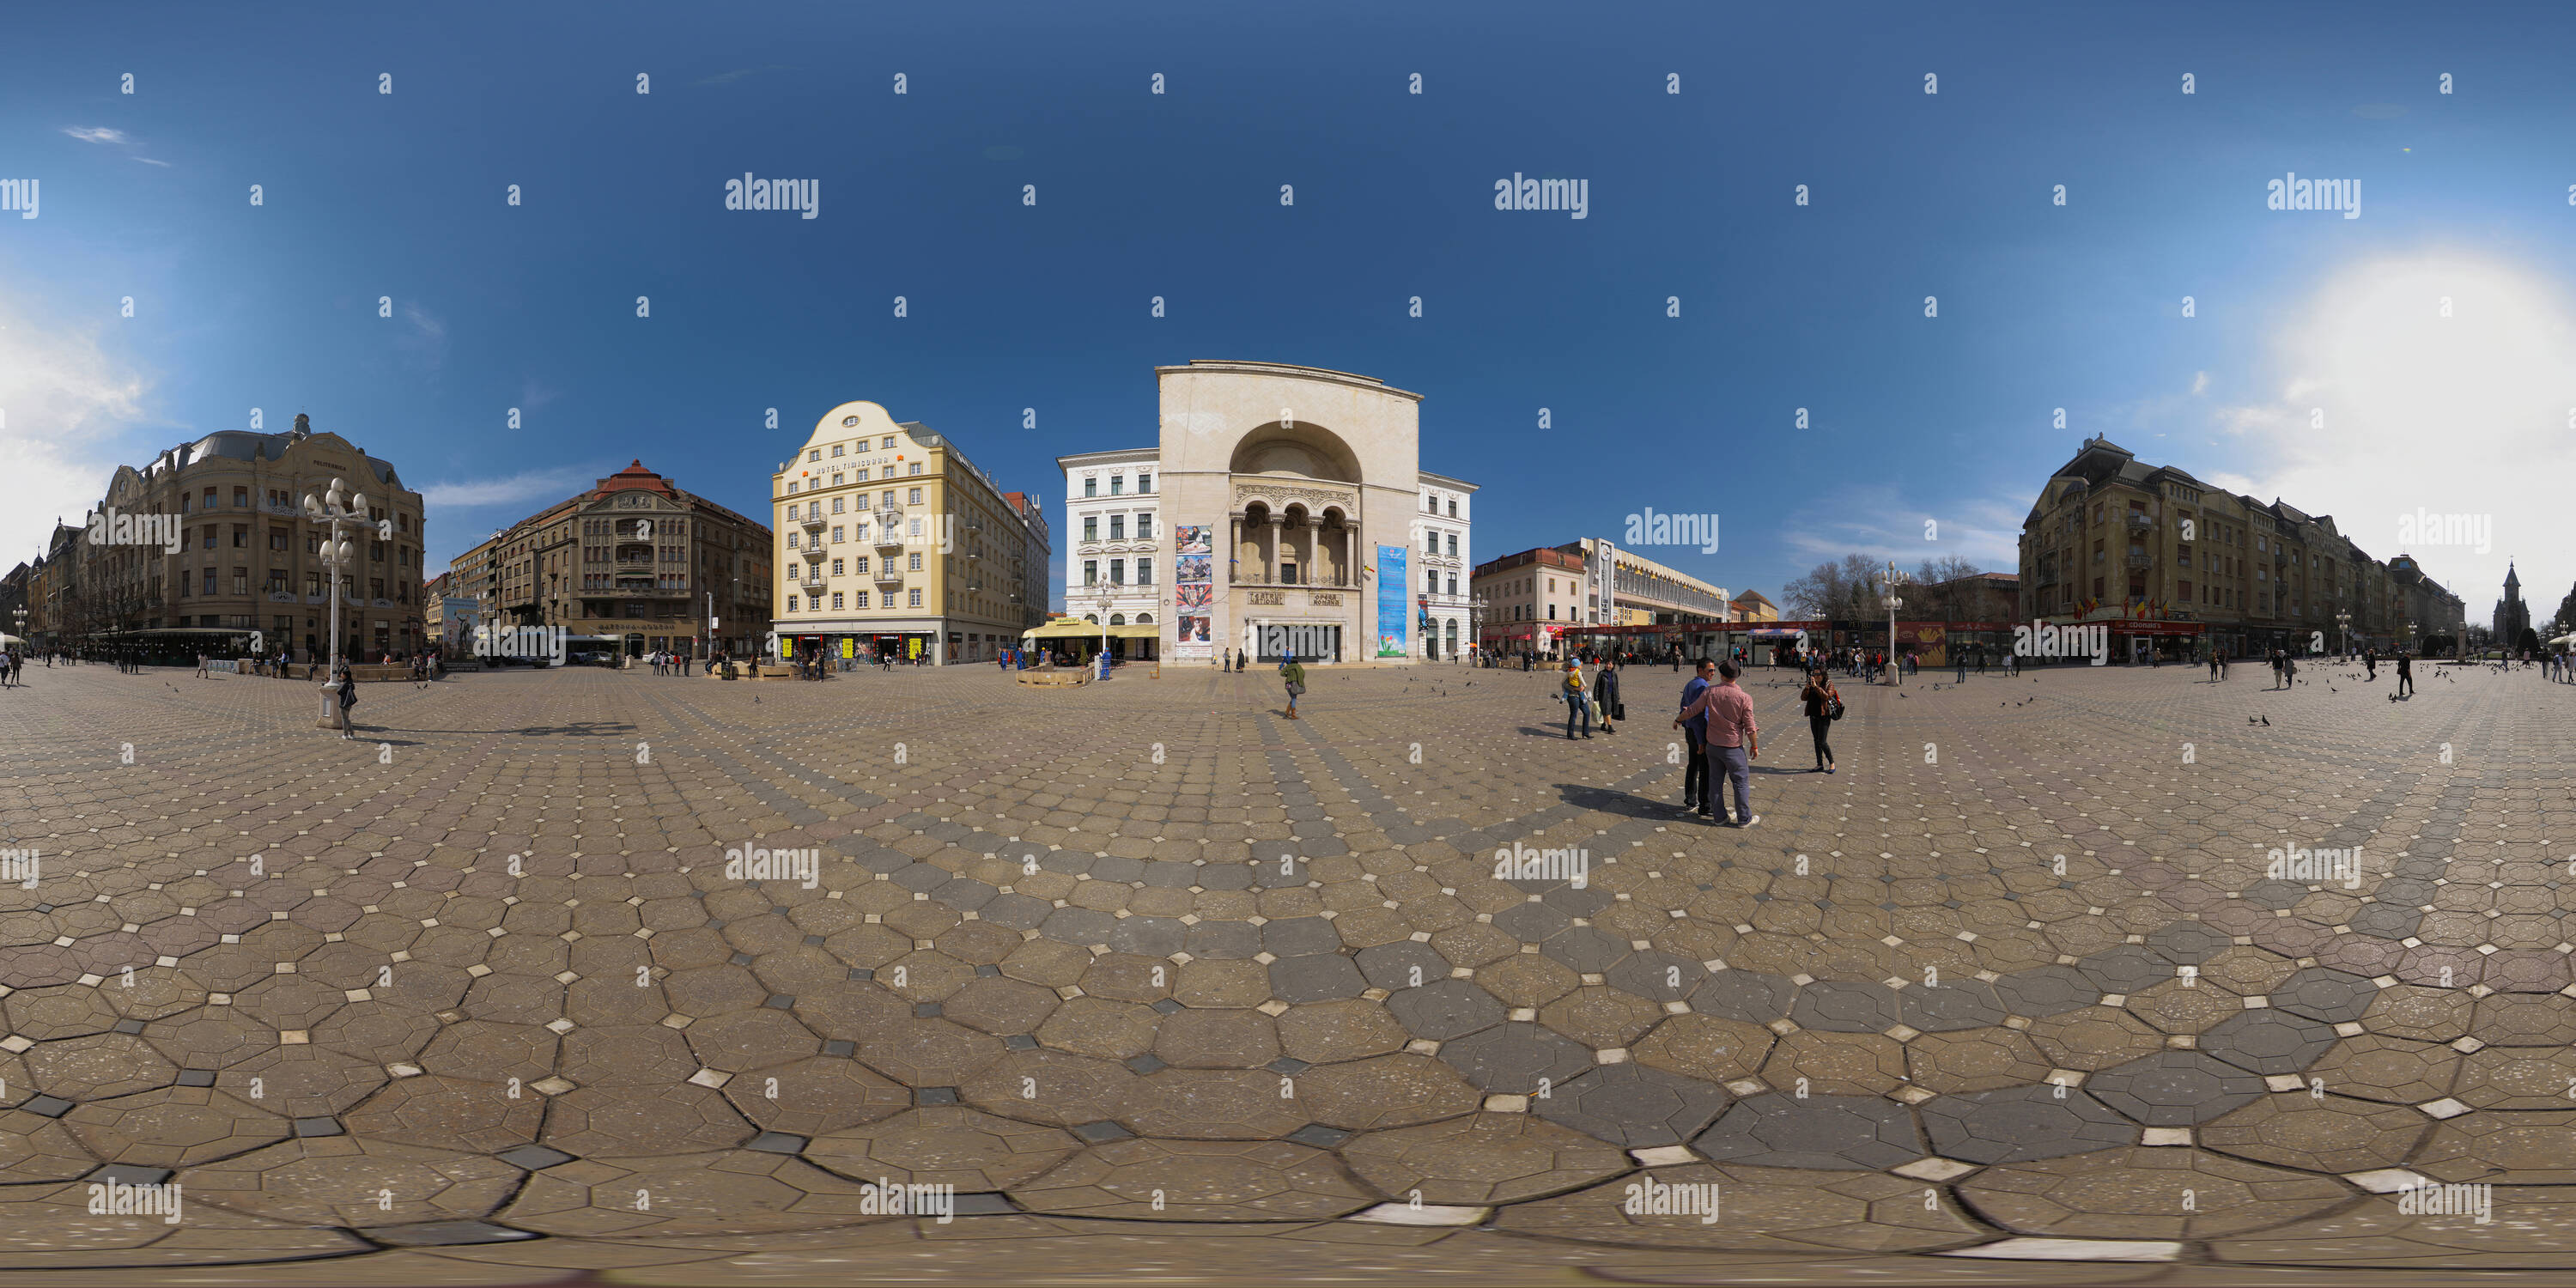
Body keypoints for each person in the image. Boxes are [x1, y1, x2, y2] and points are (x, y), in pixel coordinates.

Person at [1678, 660, 1759, 825]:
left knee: (1715, 782)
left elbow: (1692, 710)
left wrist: (1678, 719)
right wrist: (1754, 746)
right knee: (1740, 782)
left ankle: (1719, 817)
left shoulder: (1710, 691)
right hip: (1732, 747)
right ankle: (1744, 818)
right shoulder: (1744, 698)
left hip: (1713, 746)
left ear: (1722, 675)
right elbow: (1750, 727)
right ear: (1737, 676)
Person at [1676, 659, 1713, 812]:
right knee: (1704, 769)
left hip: (1690, 730)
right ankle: (1705, 805)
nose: (1712, 673)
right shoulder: (1703, 687)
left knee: (1693, 766)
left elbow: (1683, 707)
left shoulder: (1690, 684)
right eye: (1709, 670)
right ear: (1700, 670)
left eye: (1713, 670)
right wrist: (1701, 740)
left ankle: (1690, 800)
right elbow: (1699, 716)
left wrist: (1685, 725)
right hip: (1699, 732)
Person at [1801, 667, 1838, 773]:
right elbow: (1803, 698)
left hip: (1824, 716)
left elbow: (1826, 696)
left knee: (1822, 741)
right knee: (1816, 741)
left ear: (1823, 675)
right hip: (1813, 716)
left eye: (1818, 674)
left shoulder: (1829, 684)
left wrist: (1816, 687)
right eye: (1814, 674)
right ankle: (1819, 764)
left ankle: (1832, 763)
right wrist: (1807, 688)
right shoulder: (1811, 684)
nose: (1816, 677)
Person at [1560, 660, 1591, 739]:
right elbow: (1564, 684)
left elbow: (1582, 684)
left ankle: (1585, 733)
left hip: (1581, 696)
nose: (1582, 665)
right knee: (1574, 715)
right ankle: (1570, 735)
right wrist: (1576, 688)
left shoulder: (1579, 673)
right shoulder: (1569, 673)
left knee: (1587, 712)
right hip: (1573, 696)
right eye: (1581, 664)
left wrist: (1583, 687)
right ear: (1577, 665)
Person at [1592, 658, 1621, 735]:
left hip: (1613, 695)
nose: (1608, 666)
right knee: (1607, 711)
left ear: (1613, 665)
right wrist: (1596, 697)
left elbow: (1616, 686)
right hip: (1604, 695)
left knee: (1608, 711)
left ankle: (1603, 725)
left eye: (1610, 664)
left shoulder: (1614, 674)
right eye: (1607, 664)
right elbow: (1597, 686)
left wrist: (1618, 696)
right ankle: (1610, 727)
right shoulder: (1601, 674)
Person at [333, 661, 359, 739]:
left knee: (344, 720)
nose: (341, 675)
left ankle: (346, 734)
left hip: (343, 703)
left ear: (345, 675)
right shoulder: (350, 682)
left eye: (342, 674)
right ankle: (352, 733)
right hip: (348, 703)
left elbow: (339, 692)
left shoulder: (345, 684)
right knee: (347, 719)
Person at [1280, 652, 1307, 719]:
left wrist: (1287, 675)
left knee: (1293, 698)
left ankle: (1287, 712)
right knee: (1294, 698)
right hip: (1295, 684)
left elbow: (1282, 674)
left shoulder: (1288, 666)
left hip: (1288, 684)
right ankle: (1293, 714)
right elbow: (1303, 673)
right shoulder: (1299, 666)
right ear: (1297, 661)